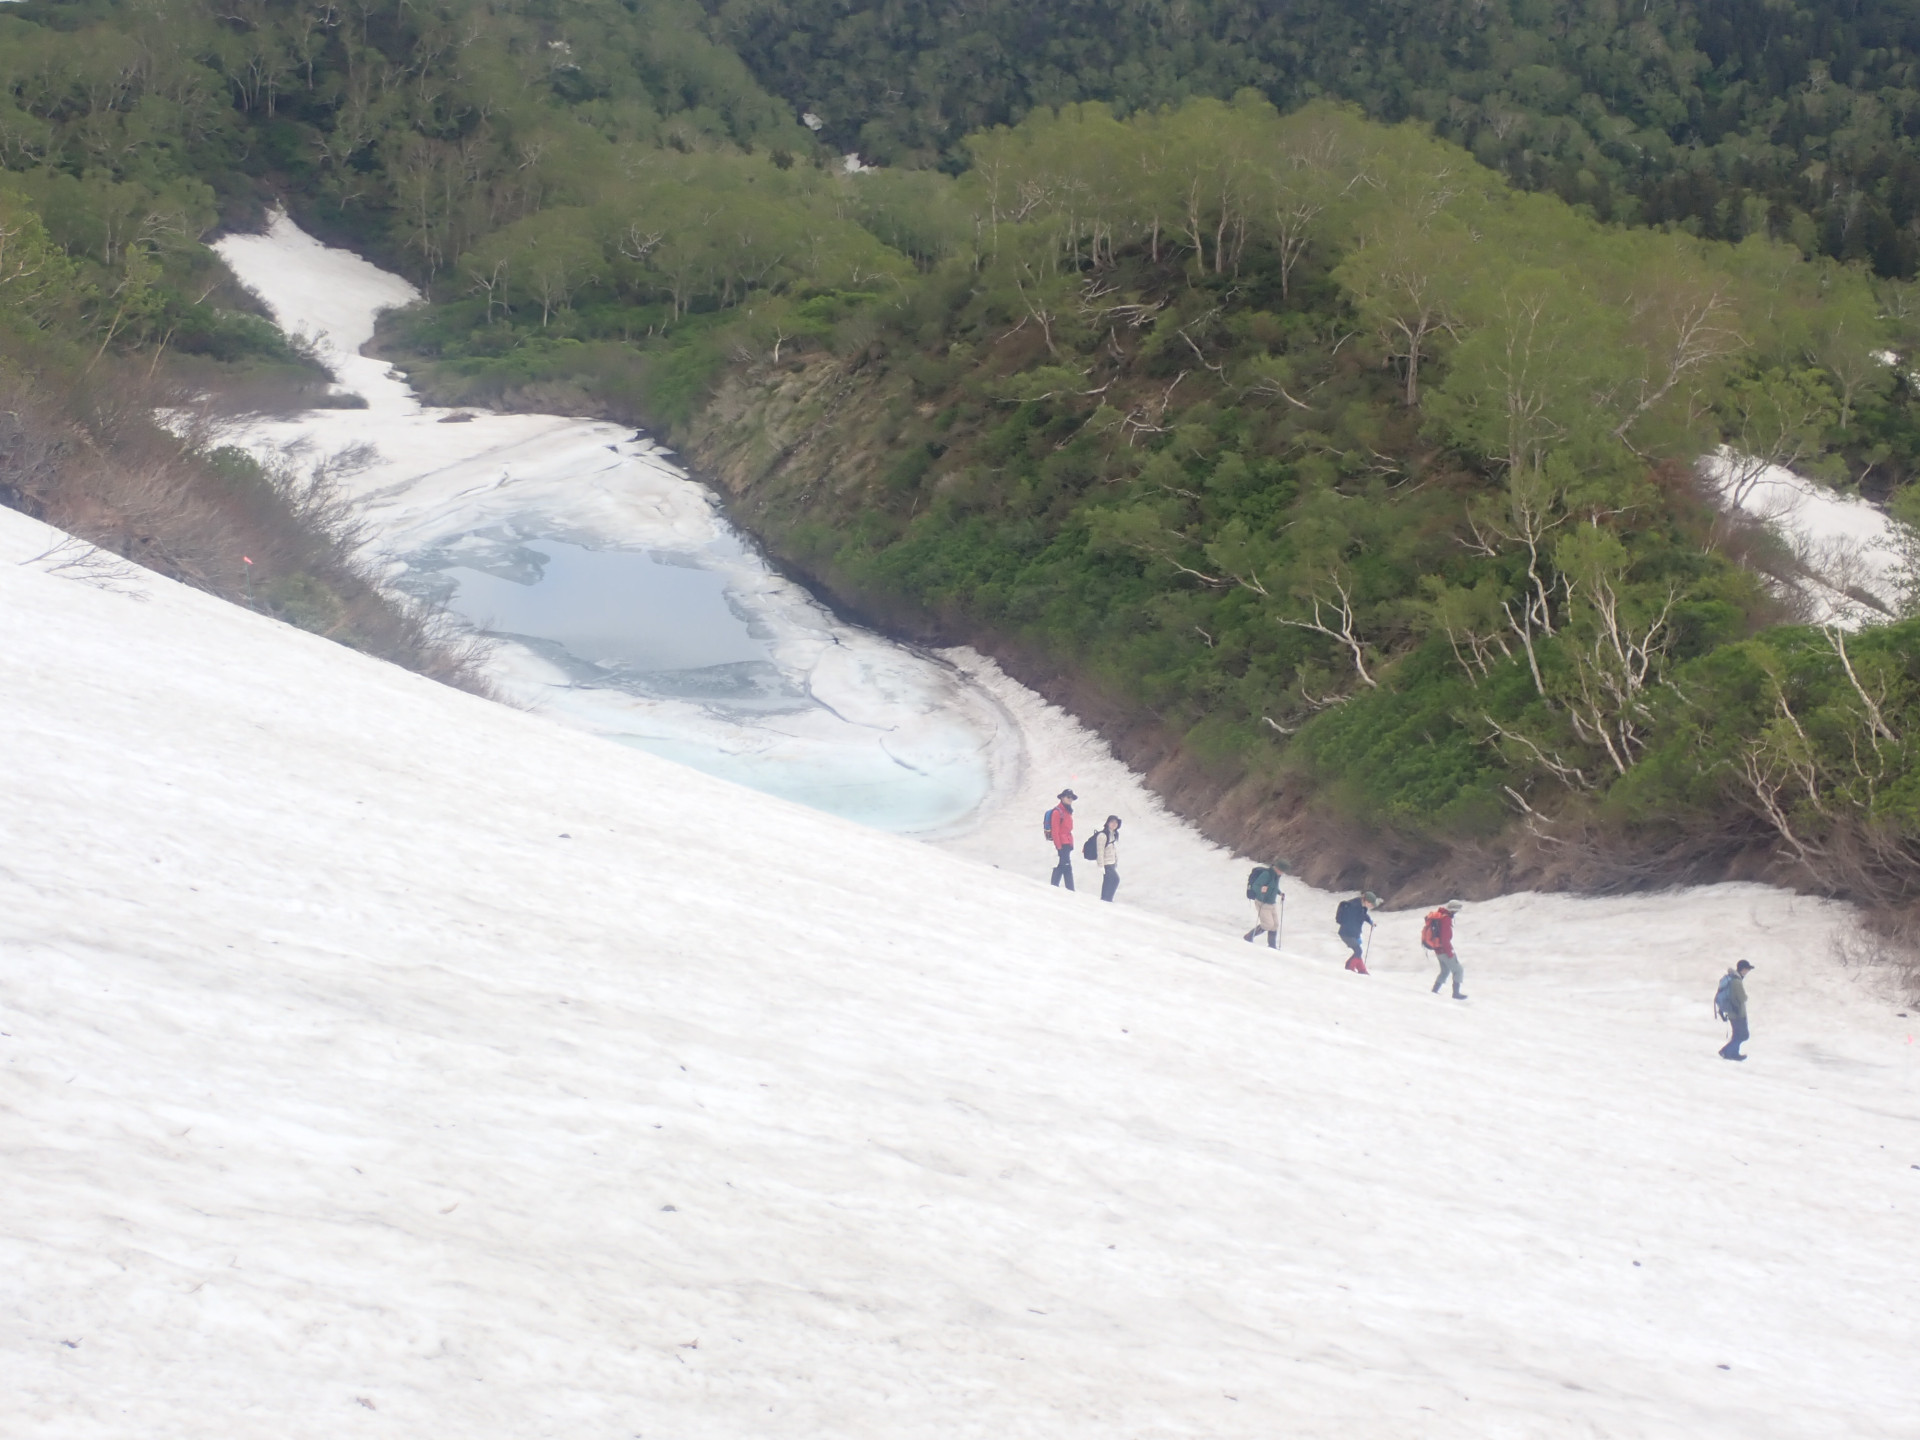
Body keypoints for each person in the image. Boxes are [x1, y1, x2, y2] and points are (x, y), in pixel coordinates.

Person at [1421, 899, 1466, 999]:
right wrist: (1450, 952)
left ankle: (1434, 991)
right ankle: (1456, 994)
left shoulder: (1440, 915)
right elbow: (1445, 939)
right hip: (1444, 949)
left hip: (1438, 949)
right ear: (1454, 910)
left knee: (1445, 971)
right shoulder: (1446, 919)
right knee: (1458, 970)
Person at [1243, 862, 1289, 948]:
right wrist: (1261, 890)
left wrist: (1280, 893)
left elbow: (1274, 887)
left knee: (1275, 925)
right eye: (1282, 871)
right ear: (1278, 868)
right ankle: (1249, 936)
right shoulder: (1266, 874)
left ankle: (1272, 946)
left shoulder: (1276, 876)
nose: (1283, 873)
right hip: (1262, 902)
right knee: (1267, 925)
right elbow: (1255, 886)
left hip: (1272, 903)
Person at [1717, 959, 1754, 1061]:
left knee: (1738, 1035)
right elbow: (1741, 997)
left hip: (1733, 1012)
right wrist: (1746, 997)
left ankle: (1733, 1053)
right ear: (1743, 969)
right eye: (1747, 969)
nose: (1748, 971)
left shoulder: (1733, 979)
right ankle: (1726, 1051)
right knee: (1743, 1035)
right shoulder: (1736, 981)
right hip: (1738, 1013)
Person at [1335, 891, 1379, 973]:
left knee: (1358, 951)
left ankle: (1362, 970)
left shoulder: (1361, 906)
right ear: (1366, 901)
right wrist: (1356, 936)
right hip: (1346, 933)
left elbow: (1363, 915)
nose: (1372, 906)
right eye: (1371, 904)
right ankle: (1349, 968)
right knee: (1358, 951)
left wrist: (1370, 922)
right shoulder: (1355, 906)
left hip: (1352, 933)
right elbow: (1351, 923)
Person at [1046, 789, 1077, 890]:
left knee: (1063, 865)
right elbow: (1055, 831)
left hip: (1067, 842)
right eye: (1068, 797)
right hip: (1062, 843)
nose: (1070, 799)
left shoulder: (1067, 811)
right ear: (1062, 798)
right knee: (1065, 866)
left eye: (1071, 798)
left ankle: (1056, 887)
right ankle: (1068, 889)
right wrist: (1058, 846)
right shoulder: (1057, 812)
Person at [1094, 814, 1122, 901]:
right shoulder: (1103, 835)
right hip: (1106, 863)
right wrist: (1101, 865)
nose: (1114, 824)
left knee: (1108, 881)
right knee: (1115, 879)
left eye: (1116, 822)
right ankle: (1107, 899)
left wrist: (1115, 861)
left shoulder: (1113, 834)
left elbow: (1113, 849)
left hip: (1111, 862)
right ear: (1107, 823)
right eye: (1112, 822)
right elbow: (1100, 851)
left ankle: (1105, 899)